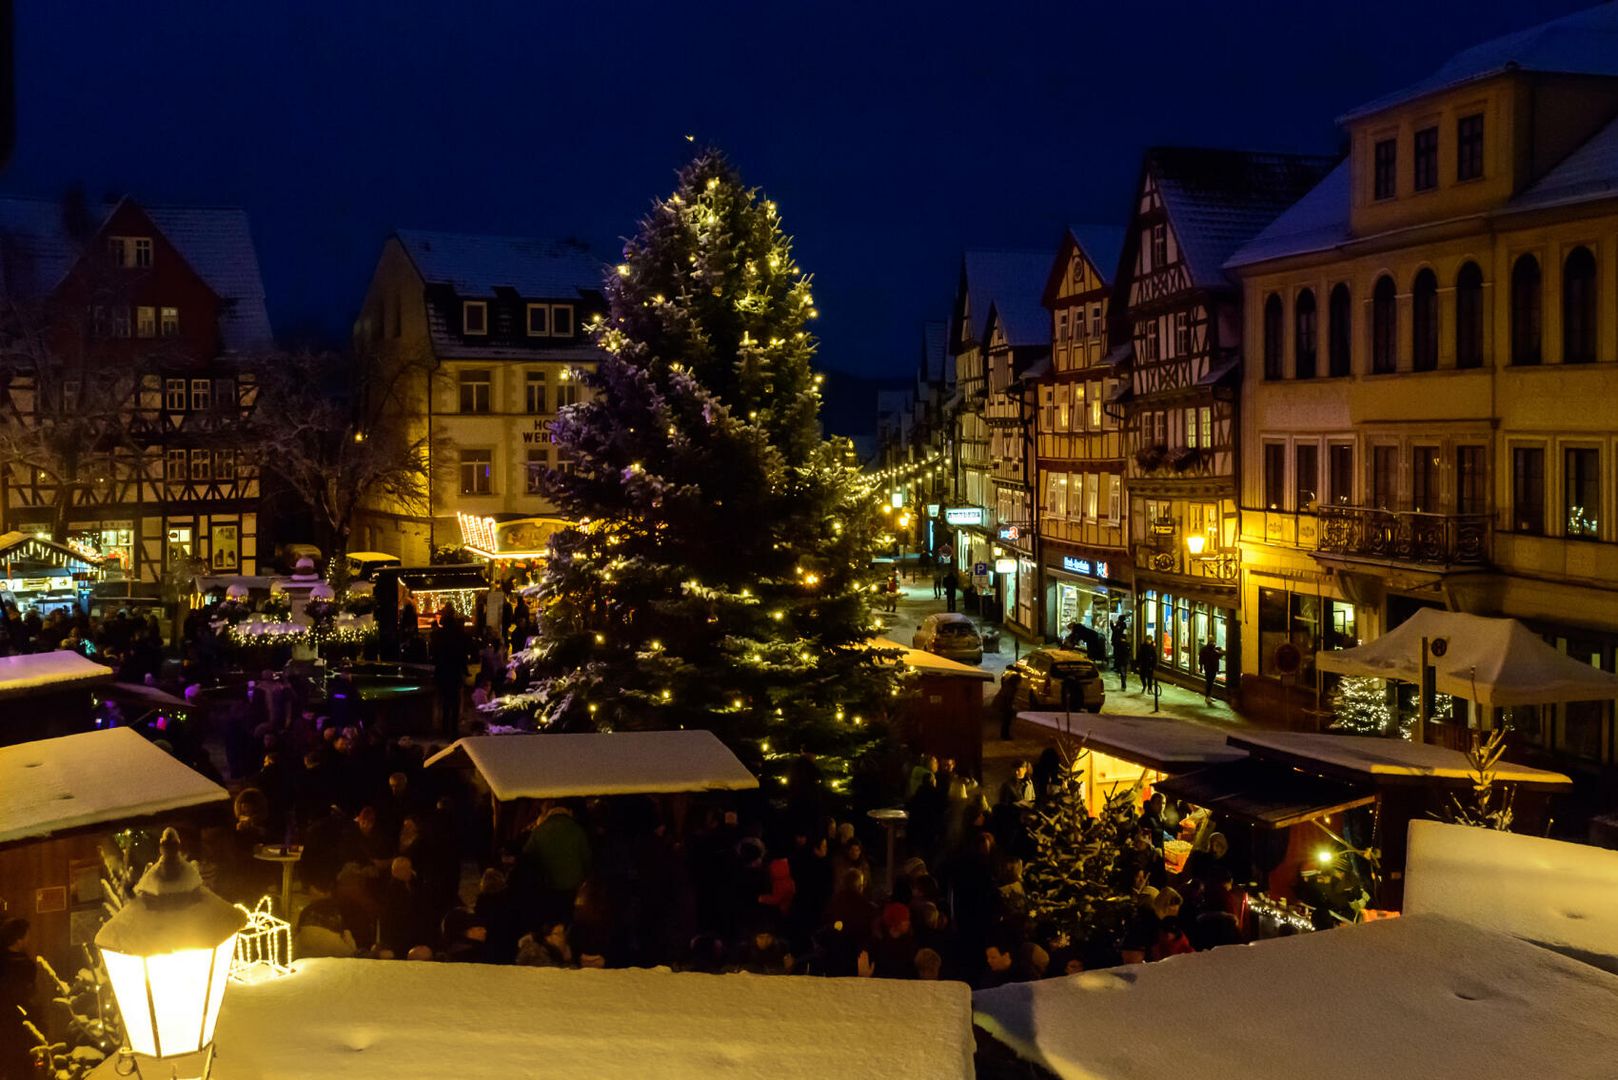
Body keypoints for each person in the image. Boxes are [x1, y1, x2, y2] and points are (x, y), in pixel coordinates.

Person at [0, 918, 36, 1080]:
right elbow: (26, 995)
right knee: (21, 1066)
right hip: (17, 1022)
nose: (29, 939)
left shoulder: (5, 961)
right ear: (18, 939)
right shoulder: (23, 965)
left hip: (6, 1022)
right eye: (27, 935)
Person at [993, 668, 1022, 741]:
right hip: (1005, 706)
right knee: (1006, 721)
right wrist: (1010, 707)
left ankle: (1005, 735)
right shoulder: (1010, 688)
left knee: (1006, 721)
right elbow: (1008, 699)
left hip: (1005, 705)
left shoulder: (1008, 686)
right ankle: (1005, 735)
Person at [1198, 639, 1224, 705]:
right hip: (1211, 669)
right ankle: (1208, 697)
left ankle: (1208, 696)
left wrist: (1201, 667)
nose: (1214, 644)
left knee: (1209, 683)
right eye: (1213, 643)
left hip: (1208, 668)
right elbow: (1220, 654)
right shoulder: (1212, 651)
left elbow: (1201, 660)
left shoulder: (1204, 649)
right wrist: (1220, 650)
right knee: (1210, 683)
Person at [1111, 618, 1131, 691]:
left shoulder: (1121, 644)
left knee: (1123, 673)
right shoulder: (1126, 644)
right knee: (1123, 673)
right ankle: (1124, 685)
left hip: (1123, 660)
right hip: (1124, 661)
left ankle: (1124, 684)